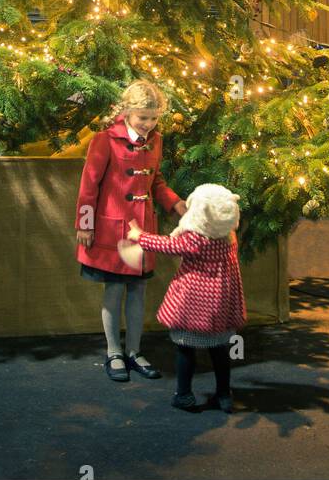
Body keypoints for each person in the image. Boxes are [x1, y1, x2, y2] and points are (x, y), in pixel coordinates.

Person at [74, 79, 186, 382]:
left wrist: (175, 203)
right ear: (126, 112)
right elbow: (89, 185)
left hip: (142, 230)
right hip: (112, 231)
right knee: (113, 291)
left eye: (153, 118)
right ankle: (114, 352)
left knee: (138, 291)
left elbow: (156, 181)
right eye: (142, 118)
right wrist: (85, 224)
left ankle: (134, 352)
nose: (148, 124)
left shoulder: (156, 141)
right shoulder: (105, 140)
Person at [119, 183, 246, 413]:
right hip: (221, 308)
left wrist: (140, 236)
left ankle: (184, 395)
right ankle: (224, 395)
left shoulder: (196, 239)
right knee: (220, 351)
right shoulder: (228, 235)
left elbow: (168, 245)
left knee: (185, 349)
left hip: (193, 308)